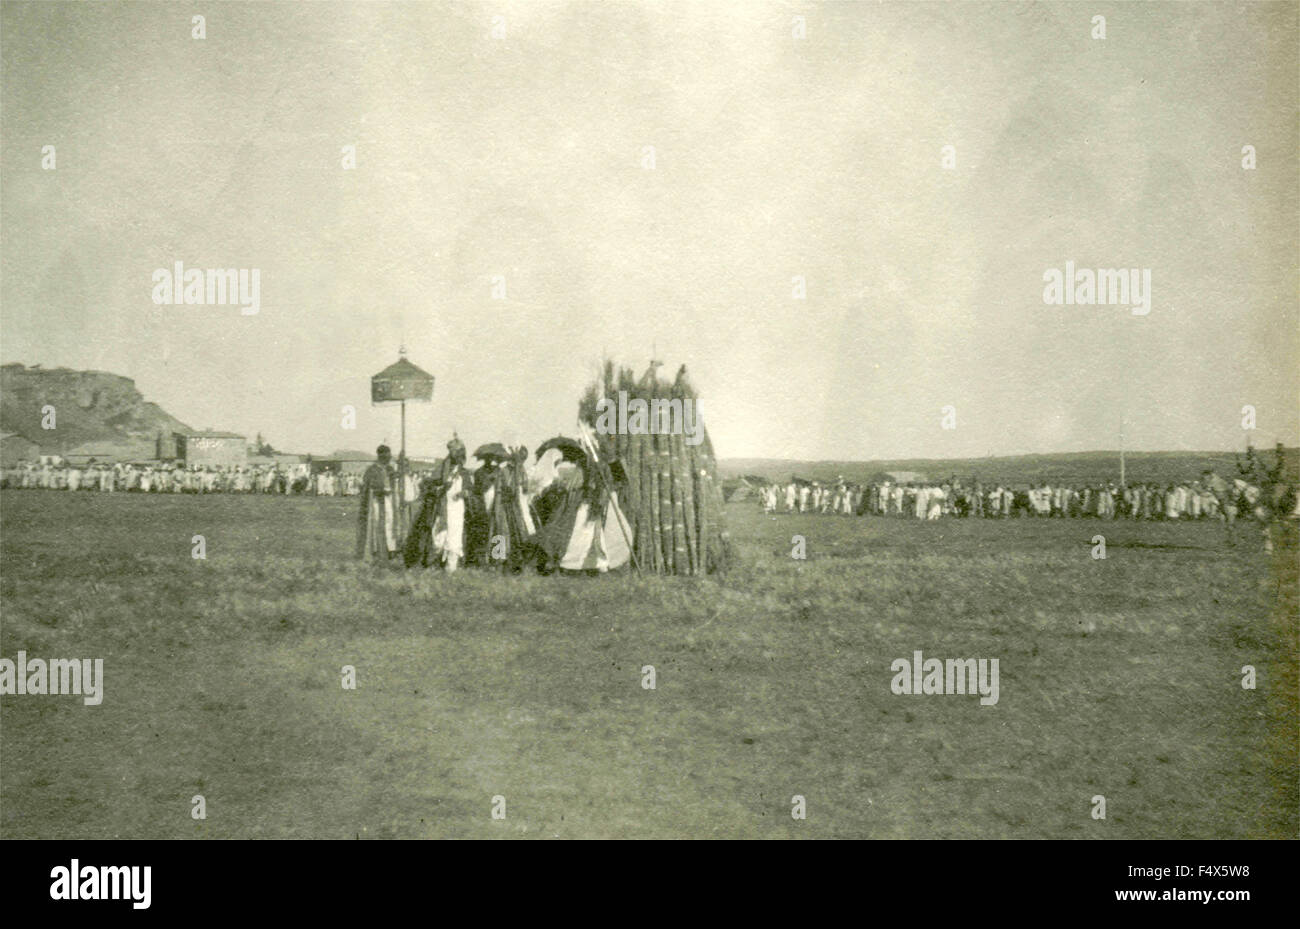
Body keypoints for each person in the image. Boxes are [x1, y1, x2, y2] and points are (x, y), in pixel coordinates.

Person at [356, 445, 398, 560]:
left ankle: (391, 549)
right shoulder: (372, 470)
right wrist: (378, 490)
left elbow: (394, 483)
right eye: (386, 455)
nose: (388, 458)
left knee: (390, 523)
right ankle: (377, 549)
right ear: (380, 455)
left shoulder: (390, 469)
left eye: (389, 455)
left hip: (389, 501)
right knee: (377, 523)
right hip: (375, 501)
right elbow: (367, 486)